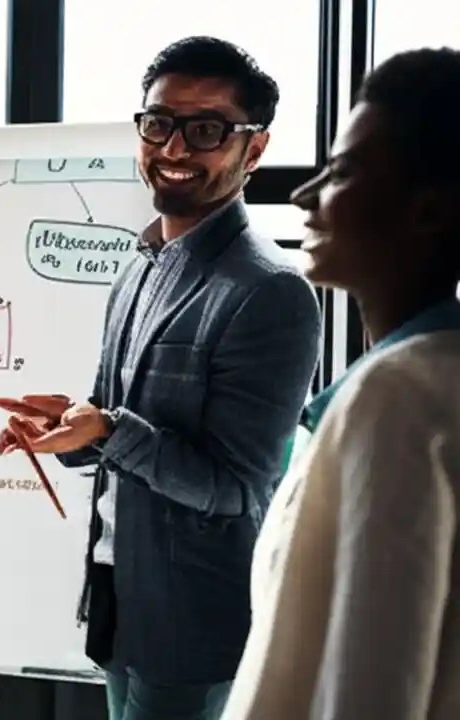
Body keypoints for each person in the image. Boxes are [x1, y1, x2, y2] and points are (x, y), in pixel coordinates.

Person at [0, 37, 321, 720]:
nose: (174, 149)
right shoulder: (142, 260)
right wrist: (73, 431)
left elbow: (235, 489)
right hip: (119, 591)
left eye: (206, 131)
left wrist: (112, 429)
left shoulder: (270, 290)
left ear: (252, 150)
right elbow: (119, 430)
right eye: (159, 123)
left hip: (194, 617)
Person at [222, 48, 460, 720]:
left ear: (430, 210)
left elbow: (372, 681)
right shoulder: (432, 383)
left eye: (344, 171)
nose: (304, 194)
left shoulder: (400, 399)